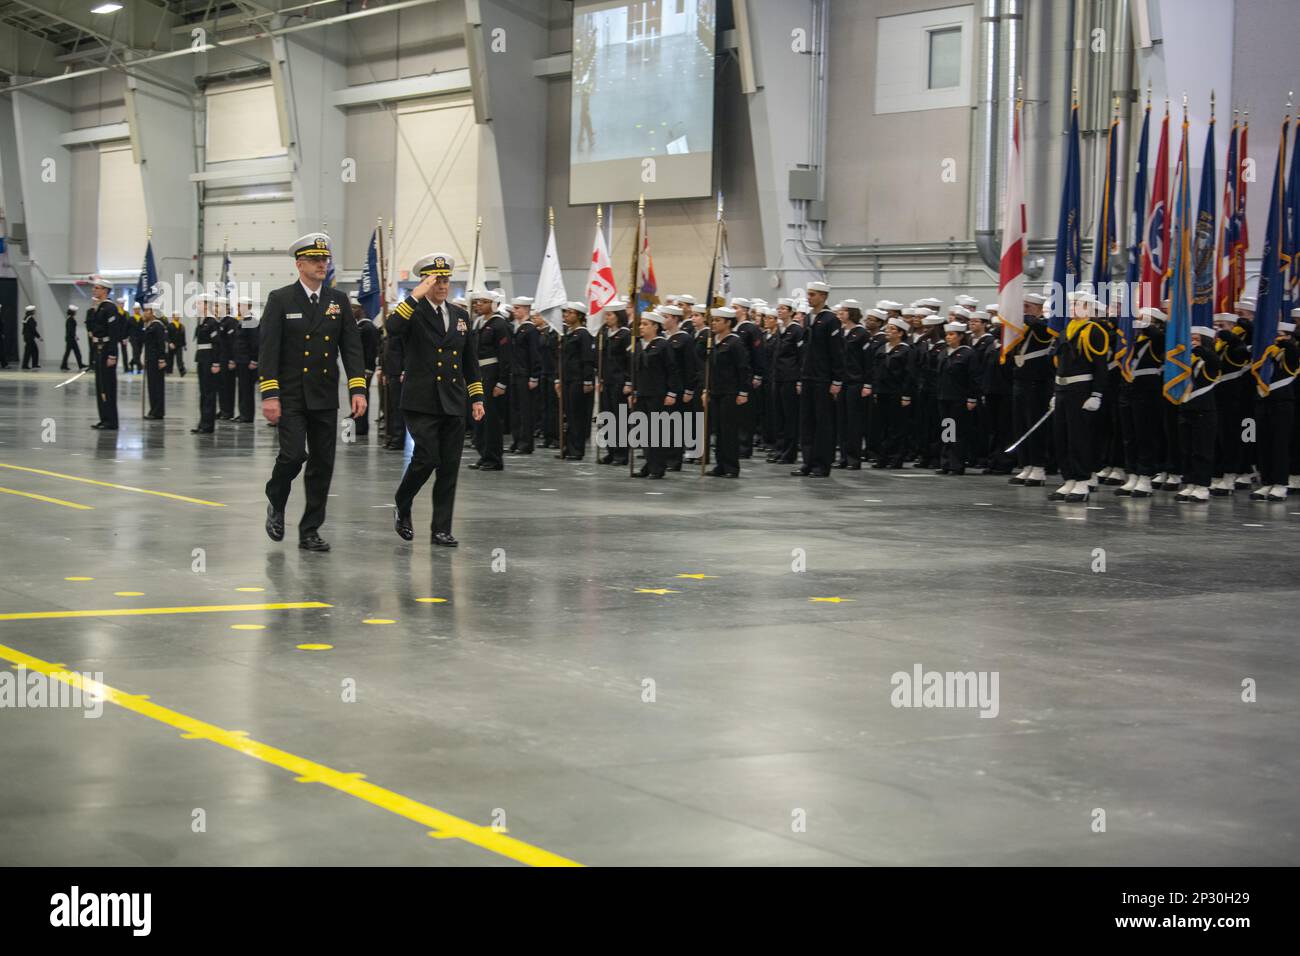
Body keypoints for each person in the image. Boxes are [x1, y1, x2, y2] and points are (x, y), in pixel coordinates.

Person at [258, 233, 368, 552]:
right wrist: (270, 394)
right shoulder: (281, 299)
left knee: (322, 464)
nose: (323, 264)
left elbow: (351, 348)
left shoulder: (338, 301)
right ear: (300, 264)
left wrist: (357, 389)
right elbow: (268, 351)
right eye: (316, 260)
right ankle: (276, 501)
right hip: (290, 395)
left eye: (325, 260)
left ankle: (310, 530)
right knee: (293, 456)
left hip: (323, 395)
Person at [388, 253, 485, 547]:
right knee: (427, 457)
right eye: (436, 280)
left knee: (449, 467)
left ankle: (441, 528)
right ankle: (402, 503)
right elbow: (392, 329)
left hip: (453, 400)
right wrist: (414, 297)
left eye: (446, 279)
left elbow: (470, 361)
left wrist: (476, 398)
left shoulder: (460, 316)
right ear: (424, 282)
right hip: (421, 400)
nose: (442, 285)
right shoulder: (412, 312)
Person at [1048, 292, 1109, 502]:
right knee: (1061, 436)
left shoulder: (1095, 331)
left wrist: (1096, 394)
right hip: (1063, 390)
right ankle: (1069, 479)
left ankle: (1082, 481)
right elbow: (1060, 365)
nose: (1072, 307)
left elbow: (1101, 366)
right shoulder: (1067, 331)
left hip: (1081, 390)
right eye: (1072, 304)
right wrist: (1055, 393)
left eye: (1077, 304)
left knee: (1079, 437)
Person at [793, 281, 844, 477]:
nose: (809, 297)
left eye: (813, 294)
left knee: (823, 423)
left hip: (823, 378)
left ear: (823, 296)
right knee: (807, 422)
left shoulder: (830, 319)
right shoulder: (808, 318)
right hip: (808, 376)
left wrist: (837, 380)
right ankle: (808, 461)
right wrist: (800, 377)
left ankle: (822, 464)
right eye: (808, 294)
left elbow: (837, 351)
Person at [1249, 311, 1299, 502]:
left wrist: (1280, 341)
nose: (1275, 338)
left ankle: (1280, 484)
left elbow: (1293, 351)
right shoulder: (1265, 353)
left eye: (1280, 334)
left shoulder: (1290, 355)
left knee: (1279, 445)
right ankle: (1267, 481)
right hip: (1263, 402)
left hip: (1282, 404)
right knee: (1264, 445)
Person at [630, 311, 682, 479]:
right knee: (644, 432)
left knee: (656, 433)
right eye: (641, 324)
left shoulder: (662, 345)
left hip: (658, 394)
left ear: (655, 326)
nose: (641, 327)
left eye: (645, 324)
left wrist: (672, 393)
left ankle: (658, 467)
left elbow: (672, 370)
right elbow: (636, 371)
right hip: (643, 393)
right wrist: (634, 390)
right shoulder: (639, 344)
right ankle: (649, 463)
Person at [468, 290, 511, 471]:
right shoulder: (480, 323)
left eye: (483, 302)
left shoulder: (499, 324)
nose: (478, 305)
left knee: (492, 419)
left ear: (494, 304)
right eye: (477, 302)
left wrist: (502, 382)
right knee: (481, 418)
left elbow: (506, 355)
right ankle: (484, 454)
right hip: (481, 372)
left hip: (492, 373)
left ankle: (494, 458)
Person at [705, 306, 749, 478]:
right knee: (718, 430)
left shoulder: (735, 342)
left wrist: (743, 392)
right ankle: (720, 464)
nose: (713, 323)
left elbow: (743, 368)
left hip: (730, 391)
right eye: (713, 320)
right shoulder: (713, 341)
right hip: (716, 391)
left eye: (717, 321)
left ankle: (731, 466)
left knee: (729, 430)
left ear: (728, 323)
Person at [869, 315, 915, 469]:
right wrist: (875, 390)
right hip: (882, 392)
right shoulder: (882, 348)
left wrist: (906, 395)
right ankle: (883, 457)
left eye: (892, 329)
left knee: (897, 428)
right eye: (887, 328)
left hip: (897, 393)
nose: (888, 332)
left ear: (900, 333)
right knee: (882, 427)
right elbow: (875, 371)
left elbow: (909, 374)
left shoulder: (905, 350)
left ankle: (896, 458)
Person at [936, 320, 979, 475]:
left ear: (960, 336)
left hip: (958, 398)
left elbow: (973, 377)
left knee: (958, 432)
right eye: (947, 334)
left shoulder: (968, 353)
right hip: (944, 397)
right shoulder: (944, 352)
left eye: (952, 334)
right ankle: (946, 462)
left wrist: (972, 398)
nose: (948, 337)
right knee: (947, 430)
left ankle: (957, 463)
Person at [556, 302, 595, 460]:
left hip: (578, 380)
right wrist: (559, 378)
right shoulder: (568, 333)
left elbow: (587, 359)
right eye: (565, 312)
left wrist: (587, 381)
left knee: (576, 416)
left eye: (570, 312)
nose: (566, 315)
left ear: (579, 316)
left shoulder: (583, 334)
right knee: (568, 415)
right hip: (567, 379)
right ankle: (567, 446)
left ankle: (577, 449)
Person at [596, 300, 632, 466]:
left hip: (619, 382)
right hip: (607, 381)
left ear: (618, 316)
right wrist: (600, 378)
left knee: (620, 418)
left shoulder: (626, 335)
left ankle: (621, 453)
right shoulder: (604, 332)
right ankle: (611, 450)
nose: (607, 318)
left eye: (610, 315)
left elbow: (630, 361)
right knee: (607, 417)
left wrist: (629, 382)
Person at [85, 277, 120, 428]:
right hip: (98, 348)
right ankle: (104, 418)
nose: (94, 290)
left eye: (97, 288)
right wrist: (93, 310)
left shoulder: (110, 308)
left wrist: (113, 354)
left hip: (107, 349)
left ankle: (111, 420)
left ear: (105, 291)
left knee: (108, 386)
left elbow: (113, 333)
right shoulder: (98, 307)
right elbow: (92, 329)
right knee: (100, 386)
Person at [508, 296, 541, 455]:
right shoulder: (518, 328)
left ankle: (526, 443)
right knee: (515, 410)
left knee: (526, 411)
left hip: (526, 375)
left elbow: (535, 354)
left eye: (518, 308)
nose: (515, 311)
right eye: (514, 308)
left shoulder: (530, 329)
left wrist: (534, 376)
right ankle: (516, 440)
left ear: (527, 309)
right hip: (515, 374)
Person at [190, 295, 222, 434]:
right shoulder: (203, 322)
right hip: (202, 359)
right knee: (203, 393)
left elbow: (217, 344)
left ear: (206, 305)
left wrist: (216, 362)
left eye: (198, 304)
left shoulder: (212, 322)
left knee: (209, 393)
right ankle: (203, 422)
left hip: (209, 359)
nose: (196, 306)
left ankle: (208, 425)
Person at [352, 299, 379, 437]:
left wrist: (368, 369)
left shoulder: (368, 327)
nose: (351, 311)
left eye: (354, 308)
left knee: (362, 396)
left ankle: (362, 426)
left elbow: (370, 350)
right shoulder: (361, 326)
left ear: (361, 309)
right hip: (359, 369)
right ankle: (358, 422)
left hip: (365, 369)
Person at [233, 297, 261, 423]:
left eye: (241, 306)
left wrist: (254, 360)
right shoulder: (243, 321)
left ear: (247, 306)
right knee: (242, 388)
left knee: (247, 389)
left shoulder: (251, 321)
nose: (239, 308)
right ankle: (242, 413)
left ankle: (247, 415)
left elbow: (255, 342)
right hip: (241, 360)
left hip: (247, 361)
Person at [142, 300, 168, 419]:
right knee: (152, 386)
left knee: (157, 386)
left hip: (157, 360)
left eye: (147, 311)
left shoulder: (157, 326)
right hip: (151, 359)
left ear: (153, 313)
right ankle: (154, 410)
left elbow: (161, 344)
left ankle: (157, 411)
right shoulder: (151, 325)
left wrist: (162, 359)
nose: (145, 313)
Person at [60, 306, 85, 371]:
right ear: (72, 312)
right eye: (75, 311)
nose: (76, 312)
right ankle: (79, 365)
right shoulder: (70, 319)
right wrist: (75, 336)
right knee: (75, 352)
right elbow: (71, 330)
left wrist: (74, 336)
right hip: (71, 339)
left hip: (70, 338)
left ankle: (64, 365)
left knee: (69, 352)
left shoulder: (70, 319)